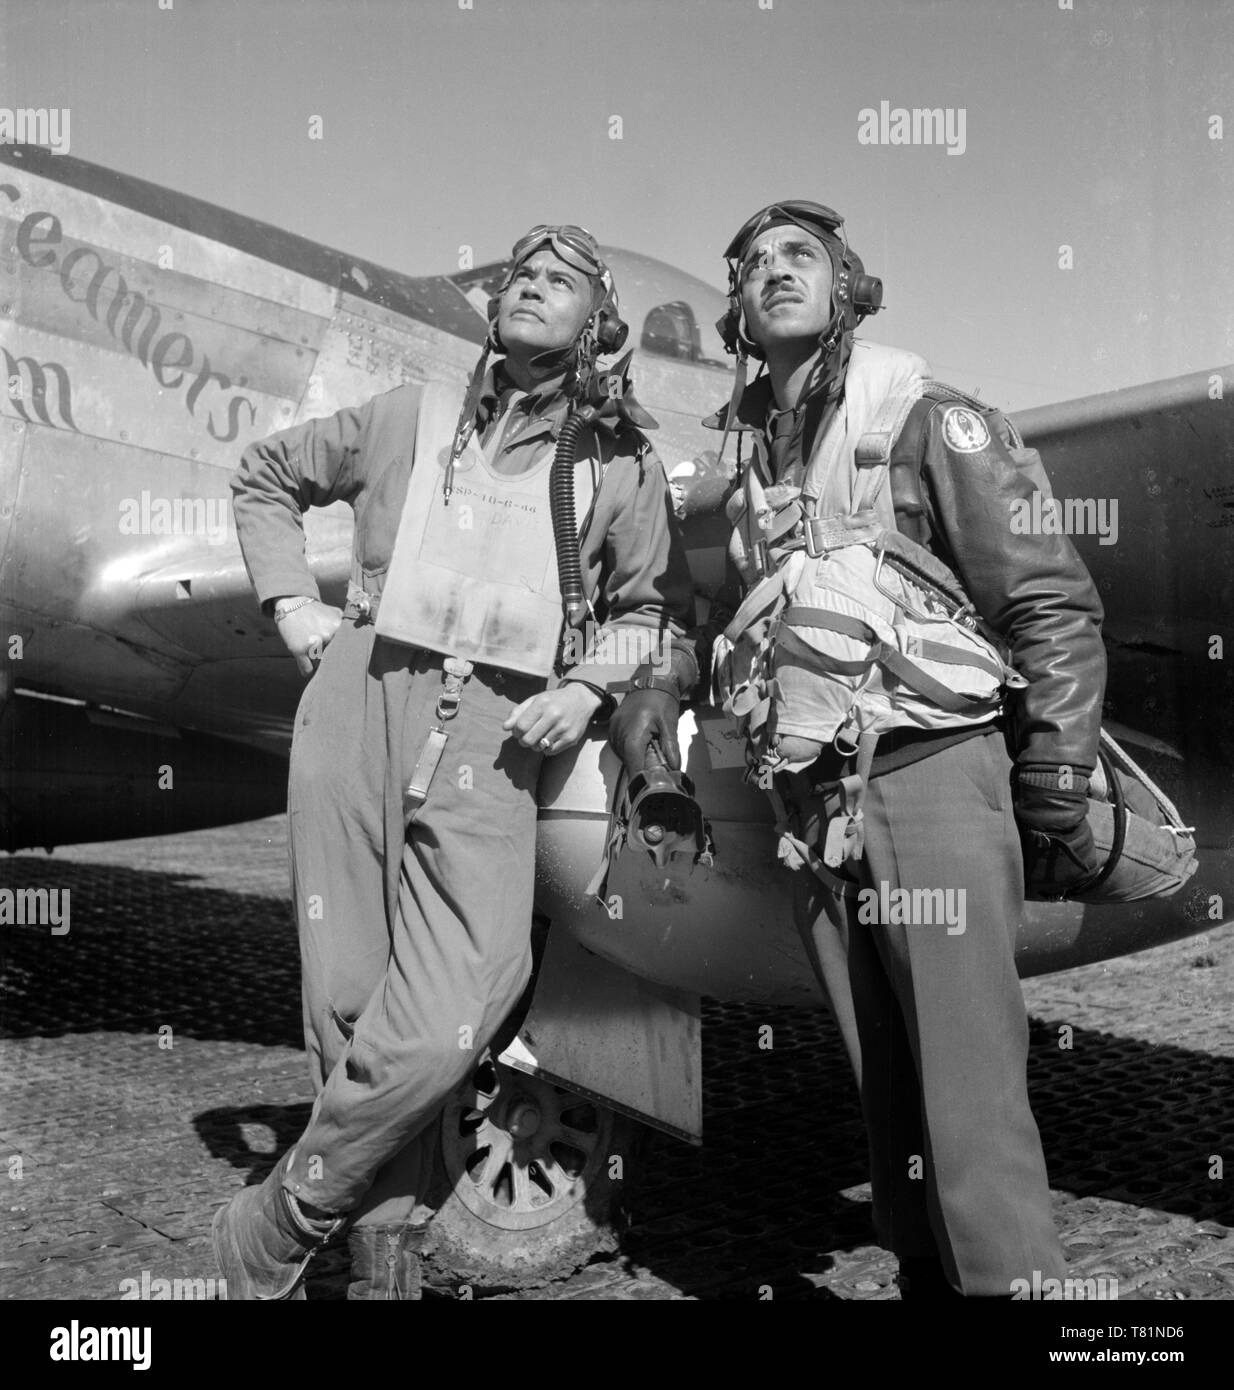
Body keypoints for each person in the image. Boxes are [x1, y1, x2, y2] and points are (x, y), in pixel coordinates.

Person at [218, 224, 696, 1299]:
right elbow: (264, 474)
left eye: (558, 281)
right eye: (520, 275)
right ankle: (383, 1260)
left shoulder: (620, 465)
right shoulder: (407, 416)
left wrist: (583, 687)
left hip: (497, 729)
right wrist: (292, 604)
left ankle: (289, 1208)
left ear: (596, 325)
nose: (529, 286)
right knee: (346, 1000)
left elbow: (647, 611)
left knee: (462, 1001)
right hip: (357, 699)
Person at [702, 200, 1107, 1298]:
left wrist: (1056, 764)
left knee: (970, 1094)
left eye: (802, 257)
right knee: (888, 1089)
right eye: (754, 266)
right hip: (818, 803)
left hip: (932, 773)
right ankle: (929, 1277)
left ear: (848, 288)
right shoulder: (752, 455)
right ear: (735, 307)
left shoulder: (927, 417)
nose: (775, 273)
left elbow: (1050, 601)